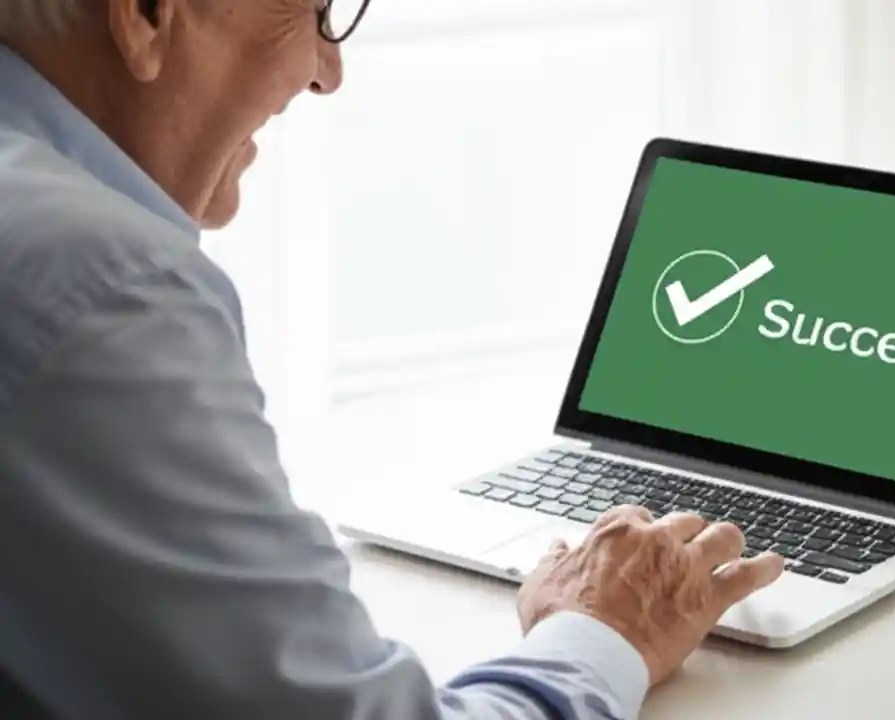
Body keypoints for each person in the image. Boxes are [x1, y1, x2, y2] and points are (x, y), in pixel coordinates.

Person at [0, 0, 785, 717]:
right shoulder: (105, 287)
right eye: (313, 11)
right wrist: (604, 631)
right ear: (144, 15)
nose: (326, 71)